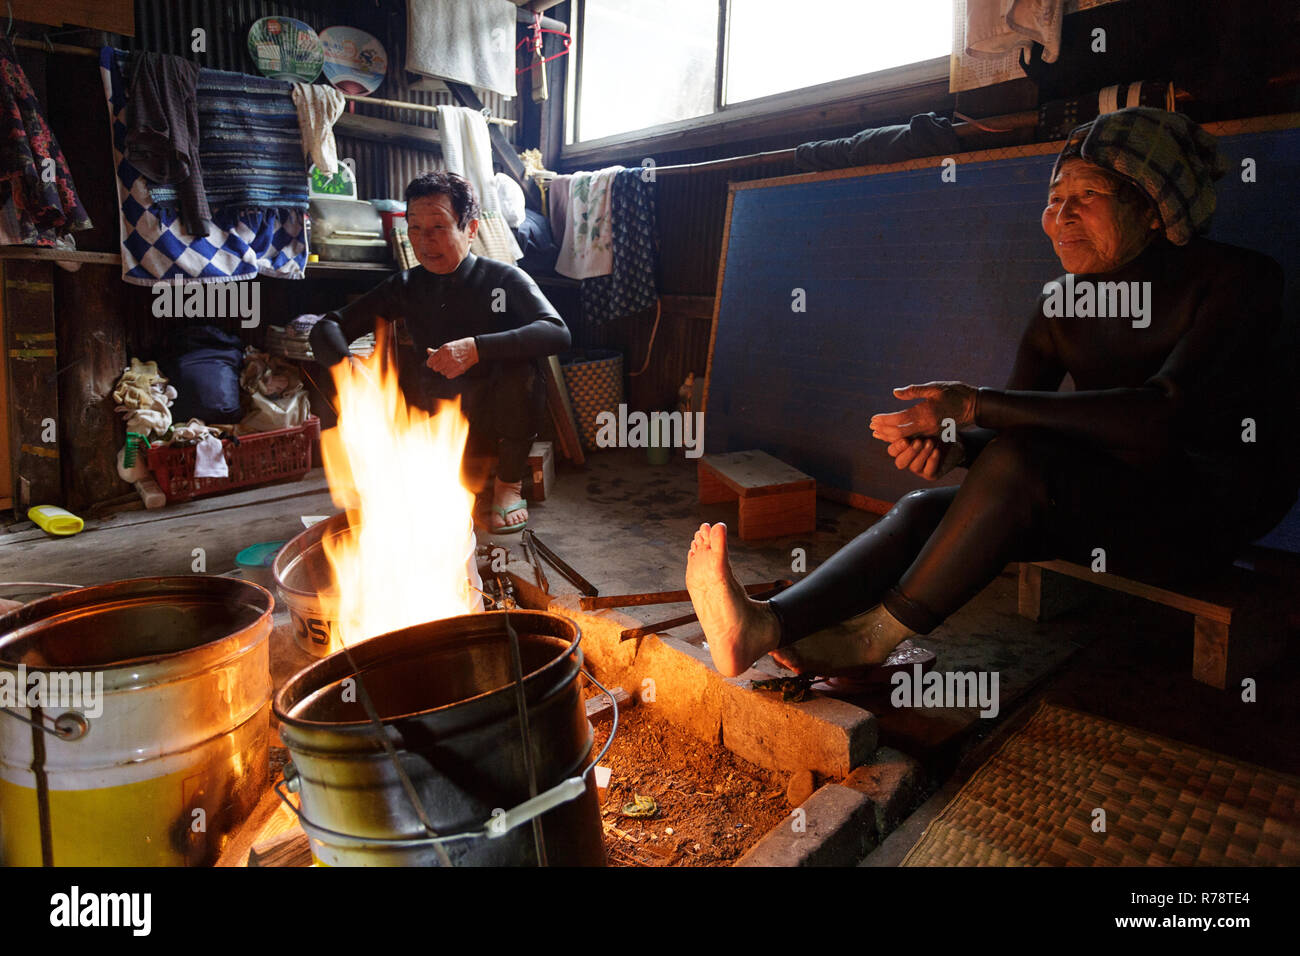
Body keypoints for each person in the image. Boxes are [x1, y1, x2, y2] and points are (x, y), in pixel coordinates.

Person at [685, 107, 1299, 679]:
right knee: (927, 507)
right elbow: (1015, 434)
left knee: (1016, 465)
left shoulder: (1239, 281)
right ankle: (765, 623)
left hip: (1209, 511)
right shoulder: (1061, 305)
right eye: (1055, 199)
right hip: (1117, 495)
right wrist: (953, 440)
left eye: (1088, 195)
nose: (1061, 216)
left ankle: (872, 637)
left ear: (1156, 208)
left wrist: (973, 405)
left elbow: (1163, 415)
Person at [309, 171, 570, 533]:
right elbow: (328, 327)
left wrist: (477, 349)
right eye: (414, 228)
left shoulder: (503, 280)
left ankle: (508, 485)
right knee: (337, 371)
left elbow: (556, 332)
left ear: (471, 228)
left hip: (496, 414)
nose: (424, 241)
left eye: (438, 227)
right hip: (433, 414)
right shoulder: (407, 286)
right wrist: (347, 366)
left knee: (521, 370)